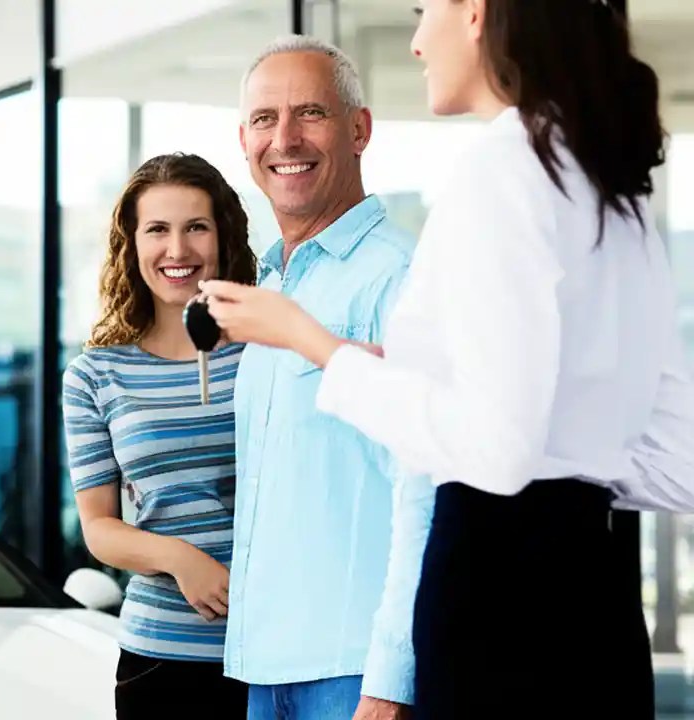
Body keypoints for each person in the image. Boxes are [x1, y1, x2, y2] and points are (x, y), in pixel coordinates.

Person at [202, 1, 694, 717]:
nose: (415, 42)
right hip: (598, 610)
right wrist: (552, 459)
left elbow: (494, 454)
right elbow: (677, 459)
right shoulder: (613, 191)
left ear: (476, 13)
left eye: (424, 9)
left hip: (495, 611)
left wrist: (317, 346)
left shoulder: (501, 173)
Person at [213, 36, 431, 720]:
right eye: (264, 119)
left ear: (359, 129)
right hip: (265, 669)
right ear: (243, 140)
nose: (285, 139)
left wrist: (391, 678)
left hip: (355, 675)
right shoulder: (272, 285)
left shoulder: (396, 277)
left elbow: (424, 488)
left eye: (310, 113)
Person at [62, 152, 257, 719]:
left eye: (196, 227)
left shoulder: (266, 352)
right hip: (159, 659)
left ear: (223, 237)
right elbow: (99, 528)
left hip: (272, 647)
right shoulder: (95, 375)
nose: (178, 250)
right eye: (158, 230)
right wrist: (178, 558)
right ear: (132, 244)